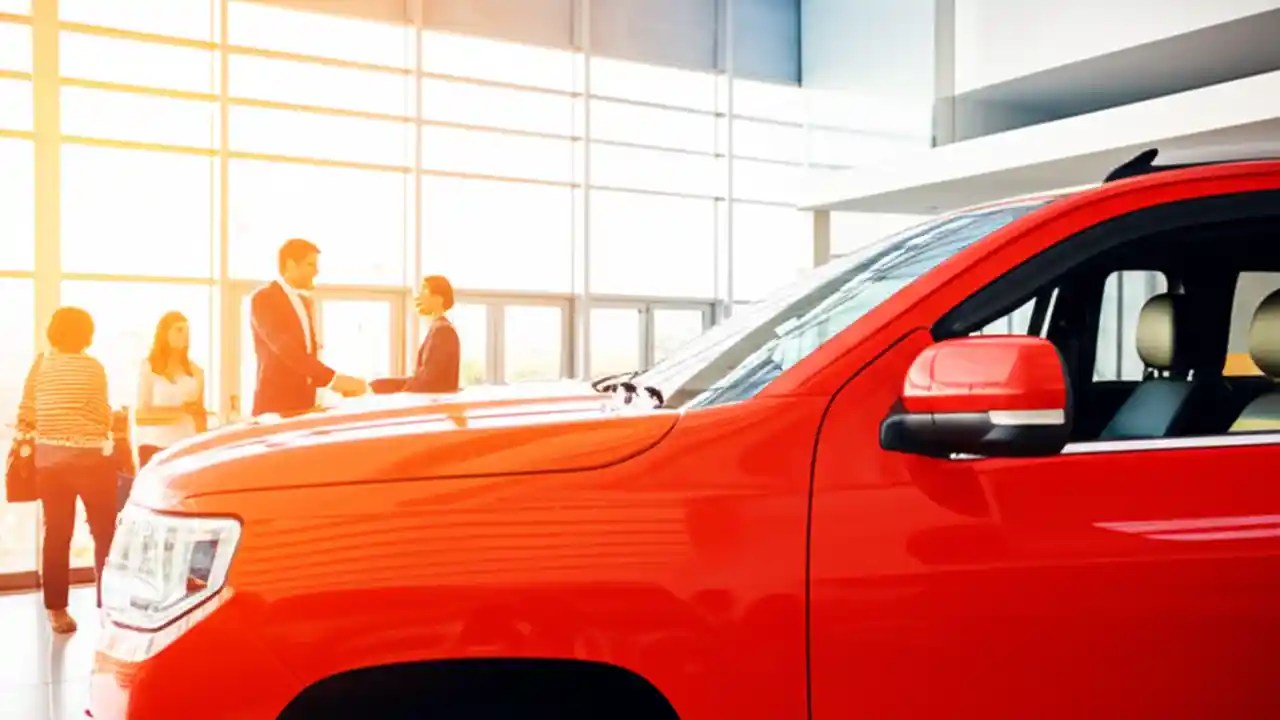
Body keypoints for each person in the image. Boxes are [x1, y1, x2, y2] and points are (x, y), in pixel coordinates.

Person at [17, 307, 116, 634]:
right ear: (87, 335)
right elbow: (103, 414)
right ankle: (109, 603)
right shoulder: (94, 368)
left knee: (57, 534)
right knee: (104, 532)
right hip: (90, 460)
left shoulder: (40, 365)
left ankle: (58, 611)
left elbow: (27, 411)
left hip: (50, 463)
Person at [249, 239, 367, 416]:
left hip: (304, 405)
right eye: (310, 265)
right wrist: (334, 380)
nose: (316, 271)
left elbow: (306, 356)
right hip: (275, 406)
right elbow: (285, 349)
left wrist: (338, 386)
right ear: (290, 265)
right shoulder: (264, 298)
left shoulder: (304, 303)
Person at [134, 311, 206, 468]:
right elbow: (142, 415)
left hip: (186, 446)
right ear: (164, 334)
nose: (185, 336)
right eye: (179, 330)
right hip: (154, 445)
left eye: (187, 331)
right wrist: (180, 411)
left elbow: (200, 415)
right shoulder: (149, 368)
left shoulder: (196, 371)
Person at [372, 275, 461, 394]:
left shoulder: (444, 332)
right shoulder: (436, 329)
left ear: (438, 299)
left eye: (425, 290)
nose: (420, 296)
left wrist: (400, 395)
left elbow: (429, 380)